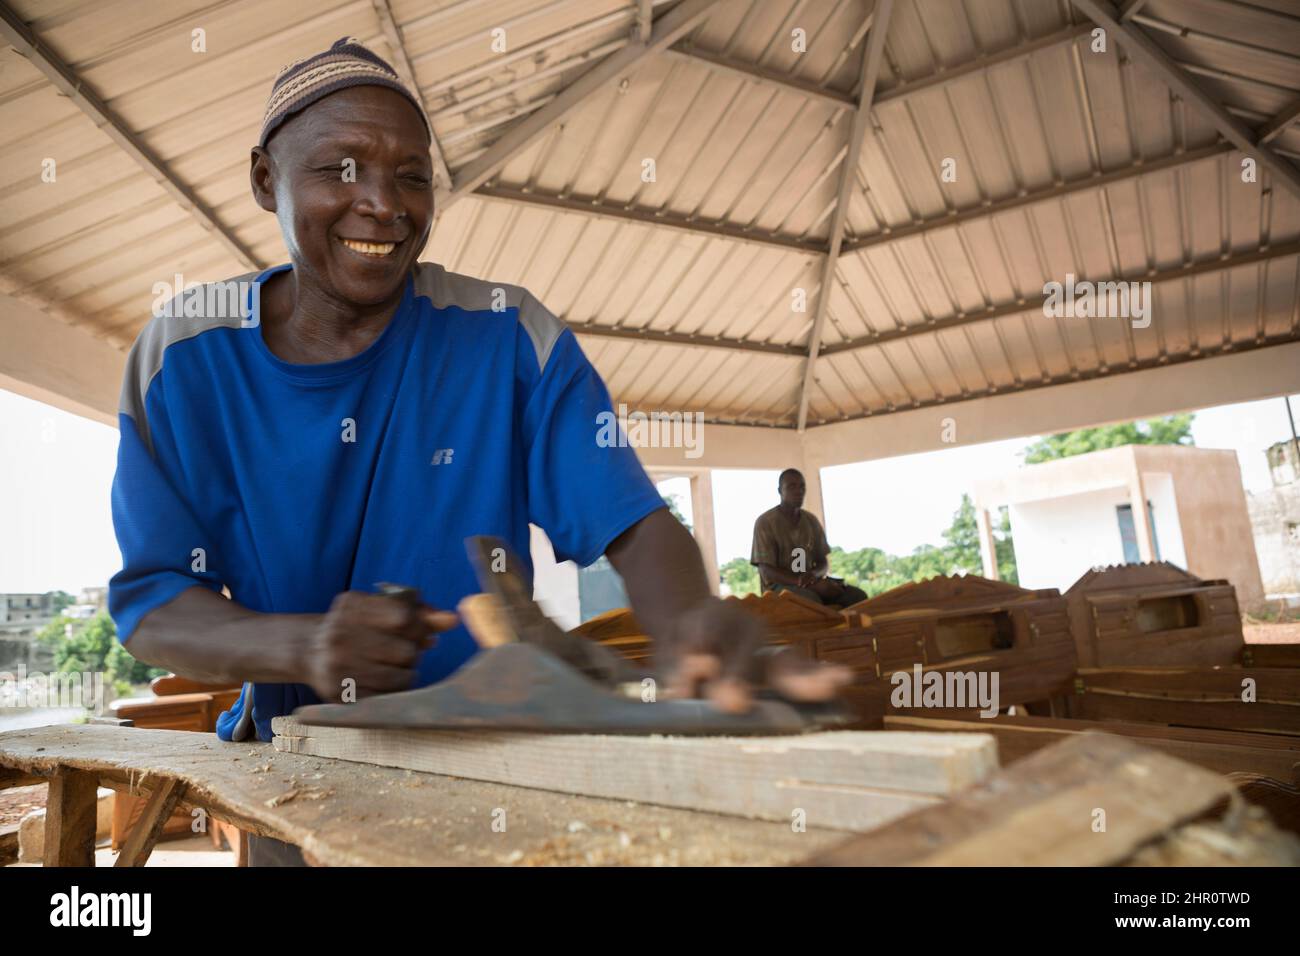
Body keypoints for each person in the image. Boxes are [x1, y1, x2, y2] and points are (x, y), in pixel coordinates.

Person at [107, 40, 848, 861]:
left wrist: (690, 621)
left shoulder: (509, 336)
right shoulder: (182, 358)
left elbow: (634, 520)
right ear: (262, 180)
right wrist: (305, 647)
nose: (382, 204)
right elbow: (154, 602)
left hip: (505, 764)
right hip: (302, 769)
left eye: (412, 175)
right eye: (339, 169)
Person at [750, 469, 868, 609]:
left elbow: (823, 562)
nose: (799, 491)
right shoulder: (765, 522)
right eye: (792, 486)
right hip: (778, 588)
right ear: (780, 490)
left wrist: (814, 574)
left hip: (811, 582)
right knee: (811, 601)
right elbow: (766, 570)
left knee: (858, 597)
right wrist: (800, 581)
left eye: (802, 486)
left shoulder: (811, 521)